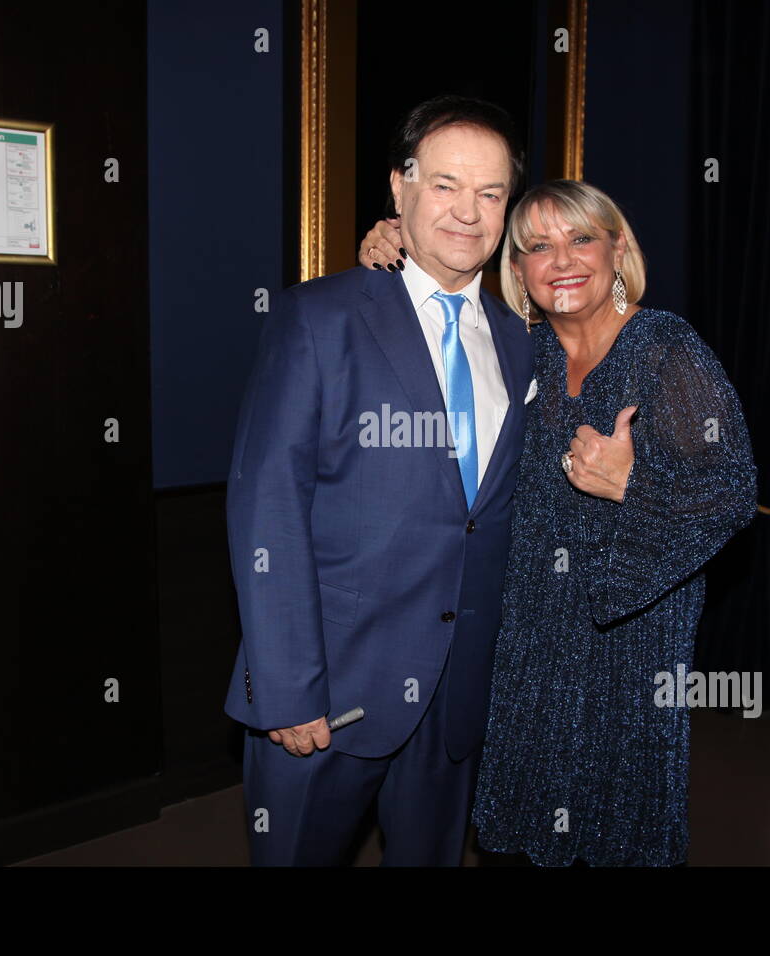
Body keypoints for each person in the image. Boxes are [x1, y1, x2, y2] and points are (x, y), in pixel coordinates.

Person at [359, 179, 757, 865]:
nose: (562, 260)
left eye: (581, 238)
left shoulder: (664, 347)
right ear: (516, 270)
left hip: (627, 645)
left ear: (617, 248)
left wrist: (635, 483)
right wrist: (396, 245)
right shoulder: (520, 350)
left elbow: (732, 491)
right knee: (521, 835)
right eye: (538, 246)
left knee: (612, 834)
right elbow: (431, 335)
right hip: (526, 642)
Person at [223, 95, 534, 866]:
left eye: (490, 193)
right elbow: (267, 504)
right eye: (445, 185)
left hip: (455, 701)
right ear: (399, 189)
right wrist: (289, 688)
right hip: (330, 691)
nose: (468, 211)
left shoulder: (520, 342)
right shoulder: (319, 317)